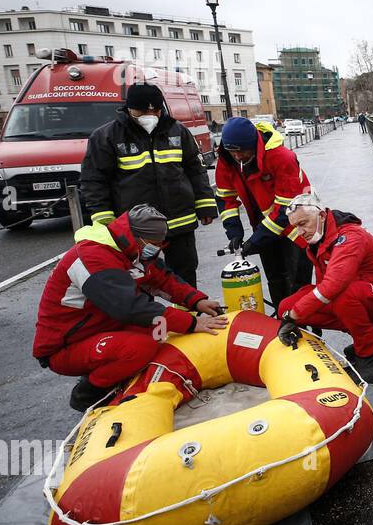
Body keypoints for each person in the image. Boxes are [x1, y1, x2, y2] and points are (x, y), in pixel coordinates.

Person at [33, 205, 228, 411]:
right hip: (66, 346)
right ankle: (89, 393)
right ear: (137, 237)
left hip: (101, 328)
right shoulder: (93, 257)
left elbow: (161, 279)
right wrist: (192, 323)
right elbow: (130, 308)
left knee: (158, 332)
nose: (156, 250)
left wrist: (197, 301)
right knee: (140, 348)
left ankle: (123, 375)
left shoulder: (130, 250)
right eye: (154, 245)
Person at [79, 80, 218, 289]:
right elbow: (94, 180)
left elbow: (196, 170)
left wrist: (205, 204)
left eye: (155, 110)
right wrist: (104, 218)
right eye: (143, 110)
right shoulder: (107, 137)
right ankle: (147, 320)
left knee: (185, 275)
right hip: (135, 229)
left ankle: (190, 317)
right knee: (138, 278)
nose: (150, 115)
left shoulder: (177, 131)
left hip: (180, 220)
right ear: (129, 109)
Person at [275, 192, 373, 382]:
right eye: (296, 227)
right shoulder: (318, 238)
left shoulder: (350, 237)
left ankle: (367, 355)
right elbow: (323, 287)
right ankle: (366, 330)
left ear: (321, 215)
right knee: (287, 306)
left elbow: (333, 284)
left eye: (303, 224)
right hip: (361, 294)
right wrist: (292, 313)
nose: (300, 232)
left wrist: (294, 316)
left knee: (340, 295)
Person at [214, 116, 313, 308]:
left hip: (298, 223)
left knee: (298, 282)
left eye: (242, 151)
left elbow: (286, 209)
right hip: (266, 222)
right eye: (233, 151)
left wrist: (256, 240)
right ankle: (282, 323)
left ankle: (307, 325)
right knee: (275, 279)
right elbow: (226, 199)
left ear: (253, 144)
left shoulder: (280, 157)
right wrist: (234, 233)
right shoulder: (227, 160)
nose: (238, 156)